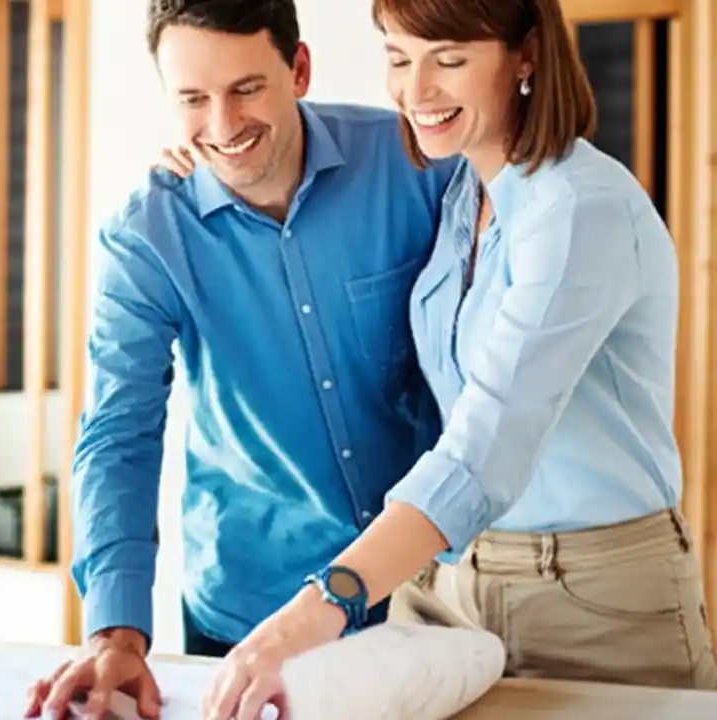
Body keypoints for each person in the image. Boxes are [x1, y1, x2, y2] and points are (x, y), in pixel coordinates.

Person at [153, 0, 717, 717]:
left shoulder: (580, 208)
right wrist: (211, 151)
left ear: (526, 55)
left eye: (448, 60)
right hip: (449, 588)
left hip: (590, 601)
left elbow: (486, 447)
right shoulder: (462, 193)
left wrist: (316, 607)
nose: (415, 91)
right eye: (398, 59)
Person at [22, 1, 457, 718]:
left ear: (300, 69)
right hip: (248, 615)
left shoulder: (415, 164)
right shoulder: (148, 235)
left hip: (427, 601)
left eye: (246, 89)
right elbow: (119, 434)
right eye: (193, 99)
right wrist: (115, 631)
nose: (223, 126)